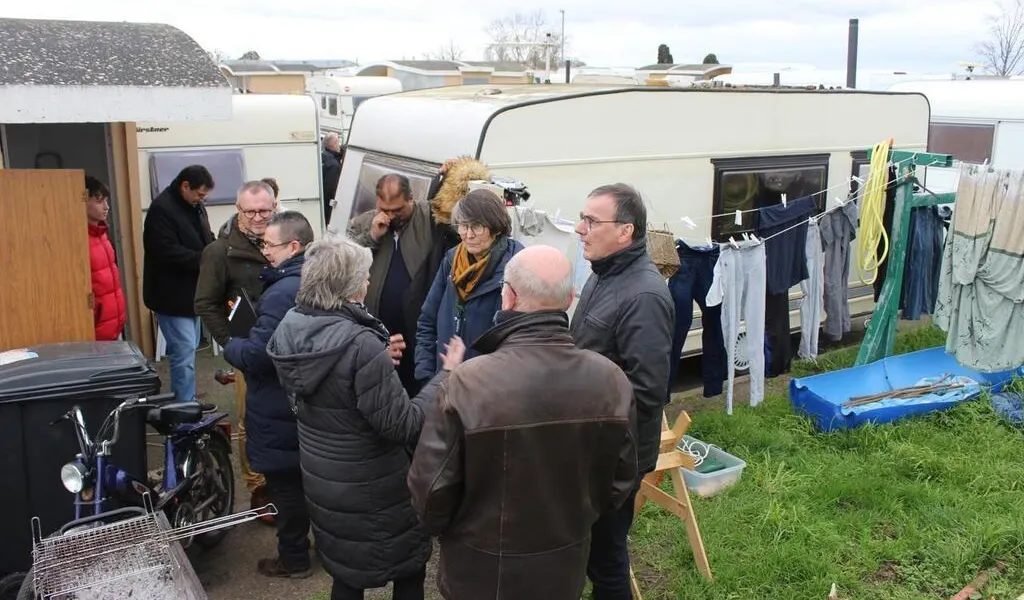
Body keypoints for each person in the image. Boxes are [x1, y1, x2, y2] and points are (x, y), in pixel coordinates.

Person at [408, 245, 638, 600]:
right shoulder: (612, 381)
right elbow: (619, 484)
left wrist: (454, 531)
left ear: (508, 296)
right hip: (564, 566)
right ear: (569, 300)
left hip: (478, 572)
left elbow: (430, 493)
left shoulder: (466, 383)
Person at [268, 235, 465, 600]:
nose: (369, 281)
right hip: (374, 487)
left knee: (347, 573)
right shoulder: (359, 345)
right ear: (348, 286)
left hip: (325, 480)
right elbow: (403, 425)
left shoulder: (291, 326)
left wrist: (376, 363)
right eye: (364, 275)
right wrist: (447, 375)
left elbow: (326, 382)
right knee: (409, 569)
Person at [570, 183, 674, 599]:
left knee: (607, 560)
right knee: (591, 552)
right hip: (591, 446)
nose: (580, 229)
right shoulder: (604, 274)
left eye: (592, 221)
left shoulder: (644, 295)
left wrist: (575, 398)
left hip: (615, 455)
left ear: (625, 231)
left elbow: (647, 392)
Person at [224, 211, 314, 579]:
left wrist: (233, 345)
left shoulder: (281, 293)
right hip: (303, 404)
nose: (265, 252)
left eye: (269, 244)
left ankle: (294, 561)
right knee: (308, 483)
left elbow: (261, 354)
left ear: (293, 246)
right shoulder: (313, 280)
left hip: (279, 404)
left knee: (287, 487)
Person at [195, 180, 277, 509]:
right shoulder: (219, 252)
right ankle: (258, 486)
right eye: (250, 211)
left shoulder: (286, 241)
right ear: (237, 210)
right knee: (250, 418)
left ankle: (291, 481)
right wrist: (231, 346)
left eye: (264, 211)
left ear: (275, 207)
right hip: (247, 348)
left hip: (289, 346)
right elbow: (205, 304)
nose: (258, 217)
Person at [347, 173, 456, 396]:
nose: (391, 216)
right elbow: (345, 265)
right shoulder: (363, 223)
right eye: (385, 209)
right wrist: (372, 237)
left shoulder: (428, 217)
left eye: (397, 210)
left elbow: (454, 212)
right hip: (377, 331)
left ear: (411, 198)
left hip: (418, 331)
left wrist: (454, 174)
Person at [414, 189, 524, 381]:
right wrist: (426, 376)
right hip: (442, 383)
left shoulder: (517, 268)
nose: (468, 234)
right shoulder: (451, 260)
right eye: (463, 226)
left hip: (482, 390)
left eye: (477, 226)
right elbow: (427, 321)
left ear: (496, 227)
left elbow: (517, 343)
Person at [142, 164, 215, 405]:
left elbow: (206, 236)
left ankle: (186, 400)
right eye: (199, 194)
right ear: (185, 186)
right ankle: (184, 408)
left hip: (190, 293)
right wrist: (204, 259)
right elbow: (165, 252)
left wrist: (215, 250)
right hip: (171, 296)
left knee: (189, 348)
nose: (201, 200)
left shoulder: (194, 206)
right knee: (183, 353)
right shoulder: (161, 210)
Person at [85, 175, 127, 342]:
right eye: (99, 201)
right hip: (94, 331)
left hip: (112, 326)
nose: (106, 206)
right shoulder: (77, 239)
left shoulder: (101, 234)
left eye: (106, 200)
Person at [321, 133, 342, 223]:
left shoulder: (323, 157)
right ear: (333, 144)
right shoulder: (333, 165)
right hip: (328, 210)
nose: (339, 145)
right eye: (338, 142)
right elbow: (331, 191)